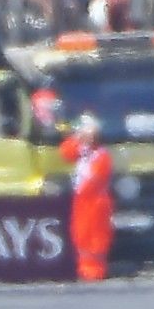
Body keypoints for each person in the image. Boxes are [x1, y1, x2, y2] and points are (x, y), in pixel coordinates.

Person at [61, 115, 114, 281]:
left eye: (89, 134)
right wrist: (77, 137)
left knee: (95, 238)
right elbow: (65, 152)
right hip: (82, 202)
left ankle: (96, 271)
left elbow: (95, 180)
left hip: (96, 203)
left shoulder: (102, 156)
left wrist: (83, 193)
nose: (87, 138)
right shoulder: (83, 152)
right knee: (80, 235)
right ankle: (84, 270)